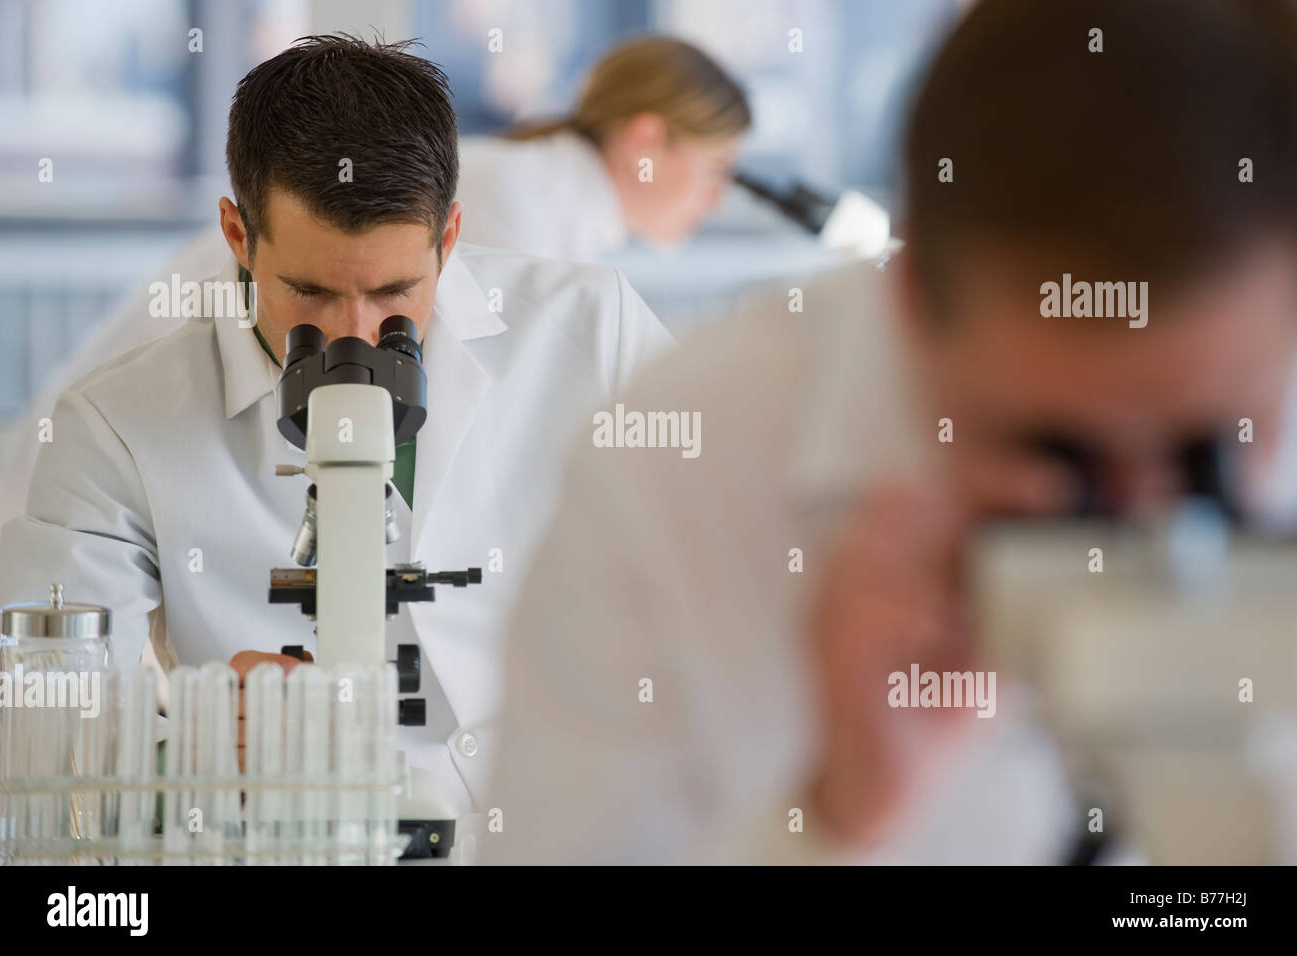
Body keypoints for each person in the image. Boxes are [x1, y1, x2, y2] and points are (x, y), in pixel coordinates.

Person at [483, 0, 1297, 863]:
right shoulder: (665, 473)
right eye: (1056, 450)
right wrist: (834, 824)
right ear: (907, 305)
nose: (1140, 522)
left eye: (1202, 447)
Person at [0, 35, 673, 817]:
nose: (355, 333)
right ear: (237, 235)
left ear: (448, 238)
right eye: (310, 293)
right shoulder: (115, 427)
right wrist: (189, 750)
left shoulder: (594, 329)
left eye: (394, 291)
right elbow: (40, 730)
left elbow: (734, 565)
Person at [456, 35, 751, 263]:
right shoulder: (519, 201)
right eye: (715, 170)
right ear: (644, 142)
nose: (717, 202)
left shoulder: (564, 217)